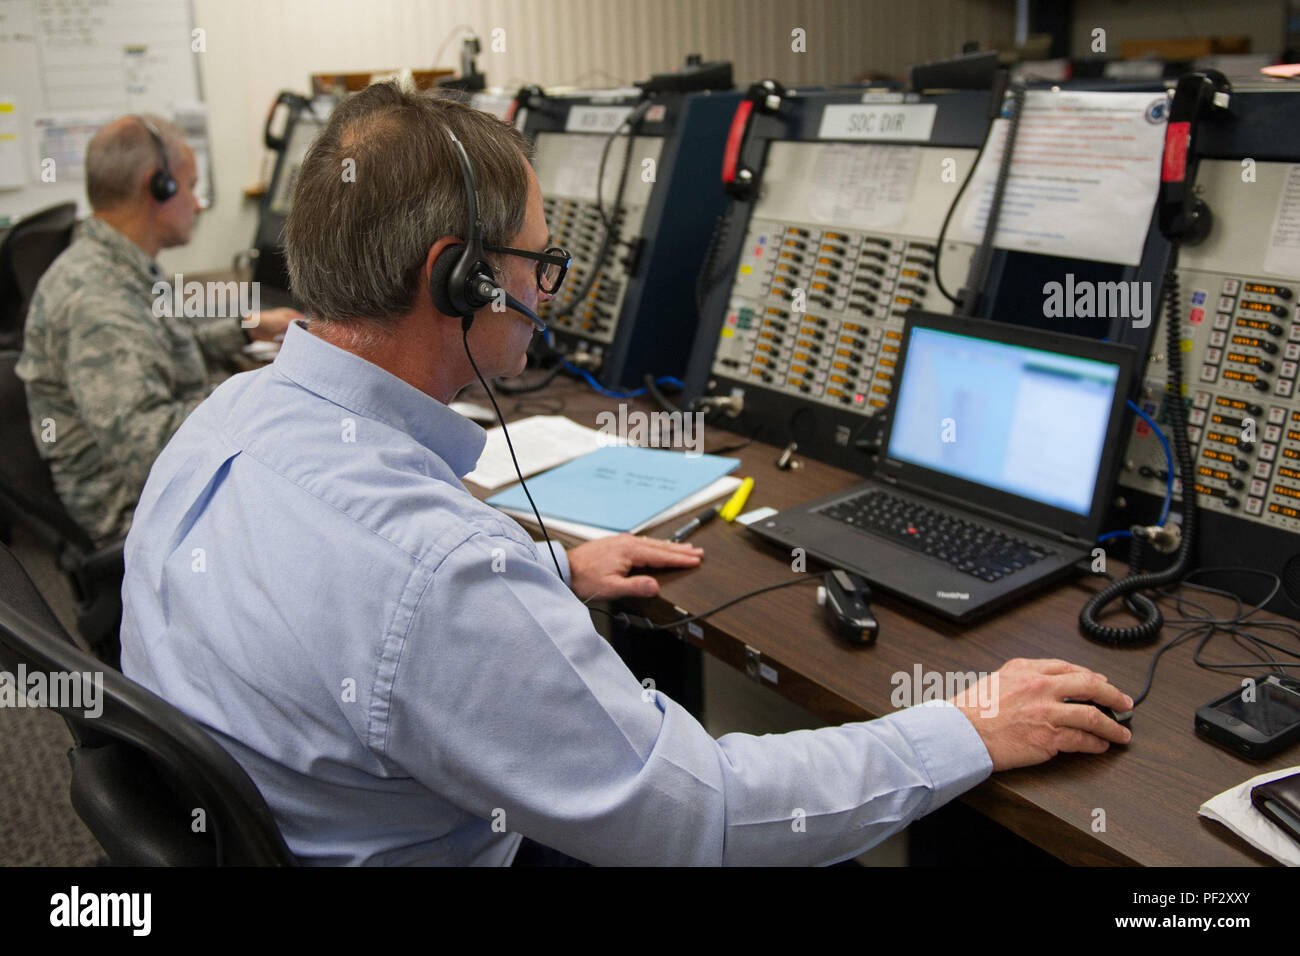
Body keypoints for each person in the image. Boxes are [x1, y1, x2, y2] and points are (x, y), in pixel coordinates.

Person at [119, 83, 1133, 866]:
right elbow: (711, 818)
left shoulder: (219, 424)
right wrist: (965, 724)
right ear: (459, 277)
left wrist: (546, 580)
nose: (542, 287)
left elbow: (351, 620)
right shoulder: (437, 571)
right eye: (536, 260)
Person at [16, 114, 300, 546]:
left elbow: (169, 349)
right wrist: (270, 393)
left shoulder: (120, 264)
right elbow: (150, 449)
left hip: (172, 477)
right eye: (190, 186)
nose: (198, 203)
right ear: (158, 186)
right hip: (143, 513)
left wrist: (246, 330)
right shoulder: (97, 299)